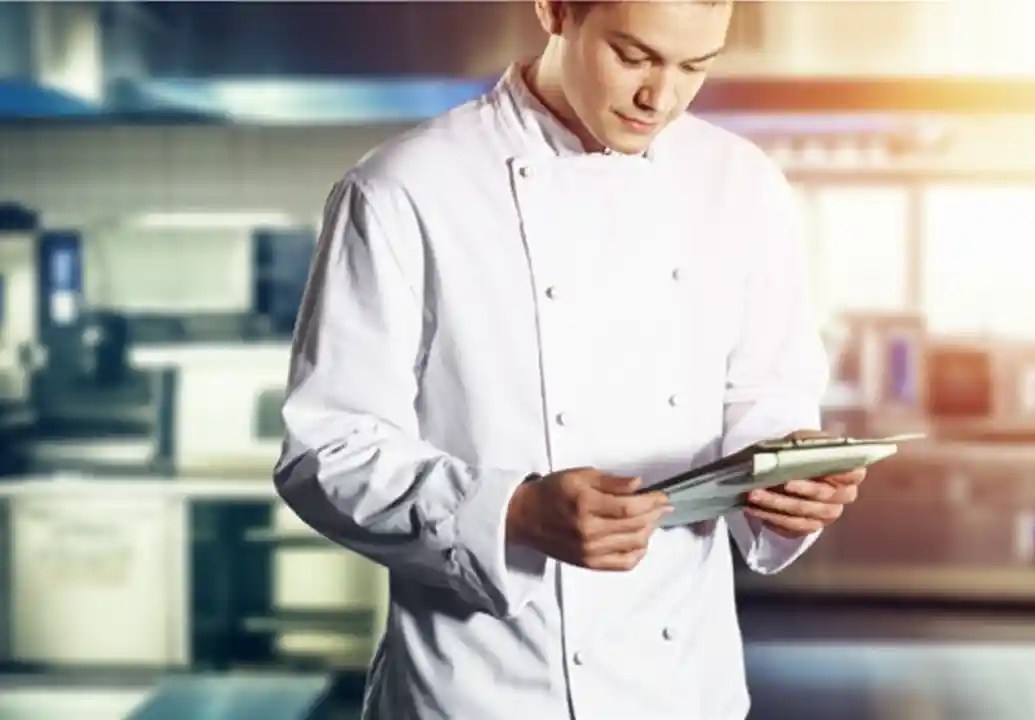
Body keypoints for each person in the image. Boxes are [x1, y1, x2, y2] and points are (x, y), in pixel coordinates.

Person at [273, 1, 869, 718]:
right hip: (480, 691)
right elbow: (326, 451)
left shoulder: (742, 185)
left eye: (695, 66)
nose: (662, 97)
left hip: (680, 689)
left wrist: (790, 478)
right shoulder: (405, 189)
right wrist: (514, 513)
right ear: (555, 9)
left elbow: (767, 398)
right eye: (634, 56)